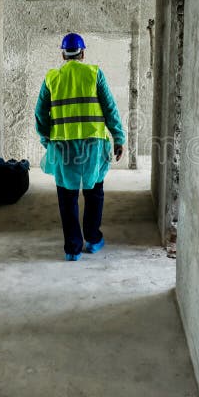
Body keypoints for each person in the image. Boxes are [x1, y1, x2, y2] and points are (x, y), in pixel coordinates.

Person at [35, 32, 125, 261]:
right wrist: (119, 138)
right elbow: (110, 109)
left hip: (63, 147)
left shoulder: (51, 78)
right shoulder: (94, 74)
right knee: (94, 193)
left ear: (63, 54)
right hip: (93, 146)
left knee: (67, 197)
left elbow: (40, 115)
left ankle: (72, 249)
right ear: (83, 53)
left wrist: (47, 140)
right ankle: (93, 239)